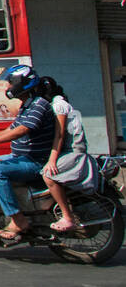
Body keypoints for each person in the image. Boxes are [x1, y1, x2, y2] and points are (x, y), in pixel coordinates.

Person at [0, 65, 56, 240]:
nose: (7, 87)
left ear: (22, 84)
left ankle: (18, 220)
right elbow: (9, 129)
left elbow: (21, 130)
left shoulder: (39, 105)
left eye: (10, 83)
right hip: (21, 157)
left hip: (35, 161)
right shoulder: (26, 105)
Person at [39, 77, 95, 232]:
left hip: (73, 152)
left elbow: (60, 135)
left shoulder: (59, 105)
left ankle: (67, 217)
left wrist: (52, 160)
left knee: (48, 175)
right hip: (68, 150)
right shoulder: (58, 103)